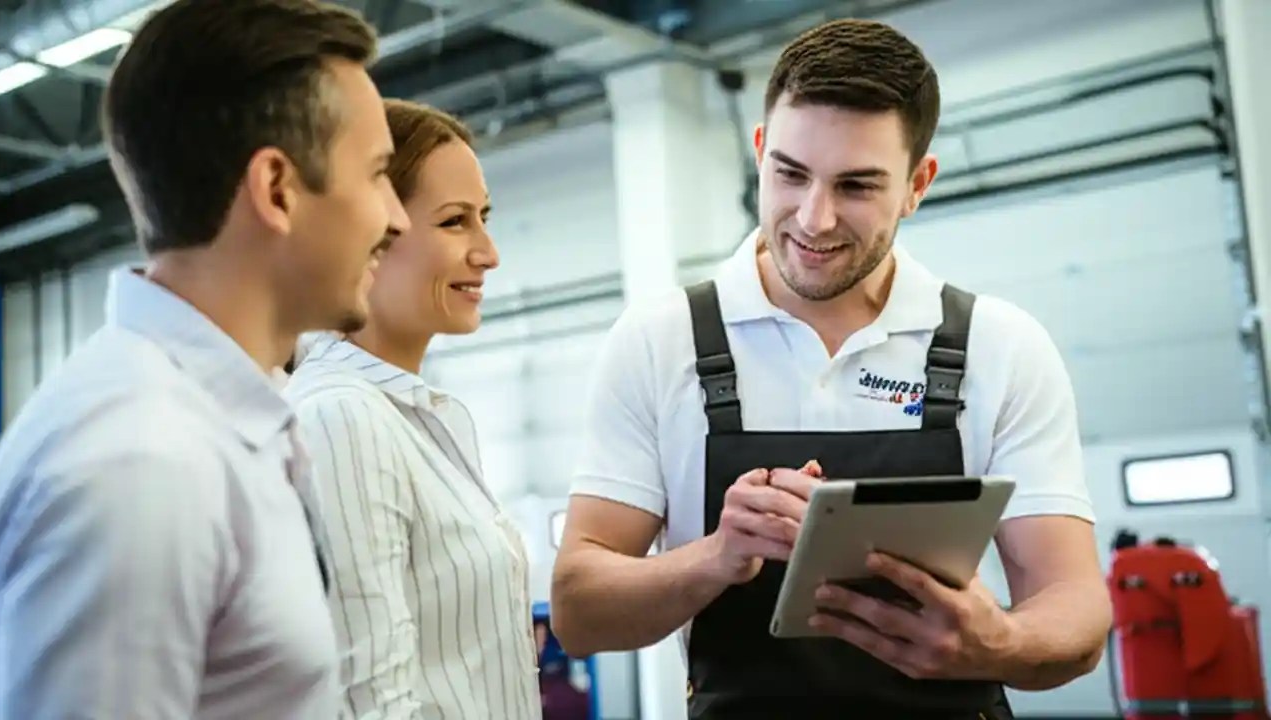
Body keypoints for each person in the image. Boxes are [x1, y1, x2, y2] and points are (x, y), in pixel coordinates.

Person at [550, 17, 1111, 720]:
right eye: (790, 174)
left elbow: (1076, 606)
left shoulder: (999, 346)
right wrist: (718, 555)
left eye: (856, 186)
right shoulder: (661, 343)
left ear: (917, 184)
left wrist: (1000, 642)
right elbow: (577, 611)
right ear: (760, 152)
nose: (813, 219)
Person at [0, 0, 408, 717]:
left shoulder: (228, 425)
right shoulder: (140, 461)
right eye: (377, 174)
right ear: (277, 189)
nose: (395, 218)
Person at [284, 100, 542, 720]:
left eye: (484, 218)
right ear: (369, 232)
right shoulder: (342, 417)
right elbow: (369, 697)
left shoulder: (414, 416)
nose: (488, 251)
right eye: (455, 222)